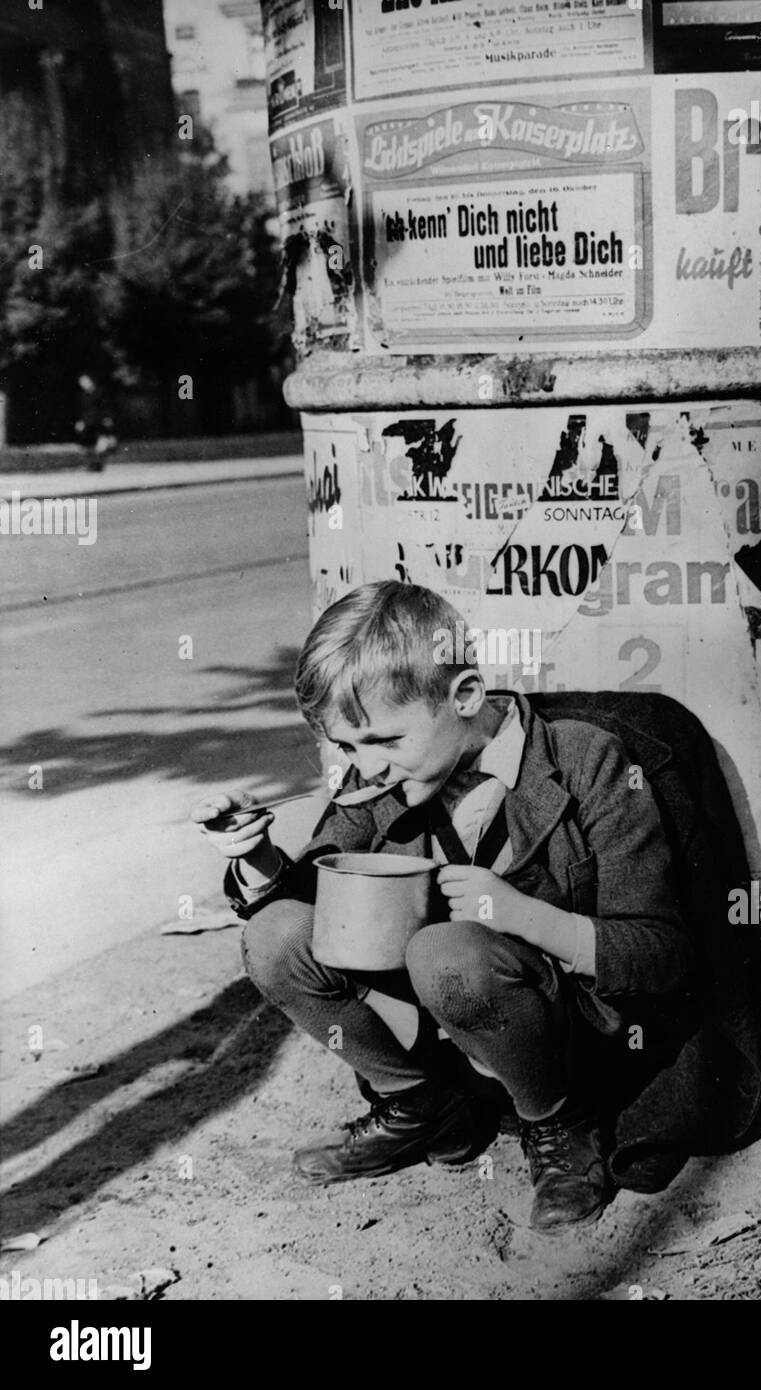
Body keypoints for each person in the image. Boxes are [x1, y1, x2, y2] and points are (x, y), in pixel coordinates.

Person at [192, 581, 699, 1235]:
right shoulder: (384, 777)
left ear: (463, 696)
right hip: (443, 1029)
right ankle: (422, 1106)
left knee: (446, 951)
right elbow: (312, 917)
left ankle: (559, 1126)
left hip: (569, 1031)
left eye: (382, 741)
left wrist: (519, 914)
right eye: (346, 748)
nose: (364, 768)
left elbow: (660, 953)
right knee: (273, 934)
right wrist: (255, 854)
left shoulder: (583, 760)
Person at [74, 373, 117, 473]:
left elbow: (106, 406)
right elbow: (82, 410)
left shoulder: (100, 392)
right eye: (82, 382)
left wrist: (108, 418)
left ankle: (98, 464)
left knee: (101, 443)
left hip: (99, 421)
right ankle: (92, 464)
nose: (84, 384)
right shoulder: (82, 395)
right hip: (88, 422)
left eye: (85, 381)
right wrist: (80, 421)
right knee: (88, 444)